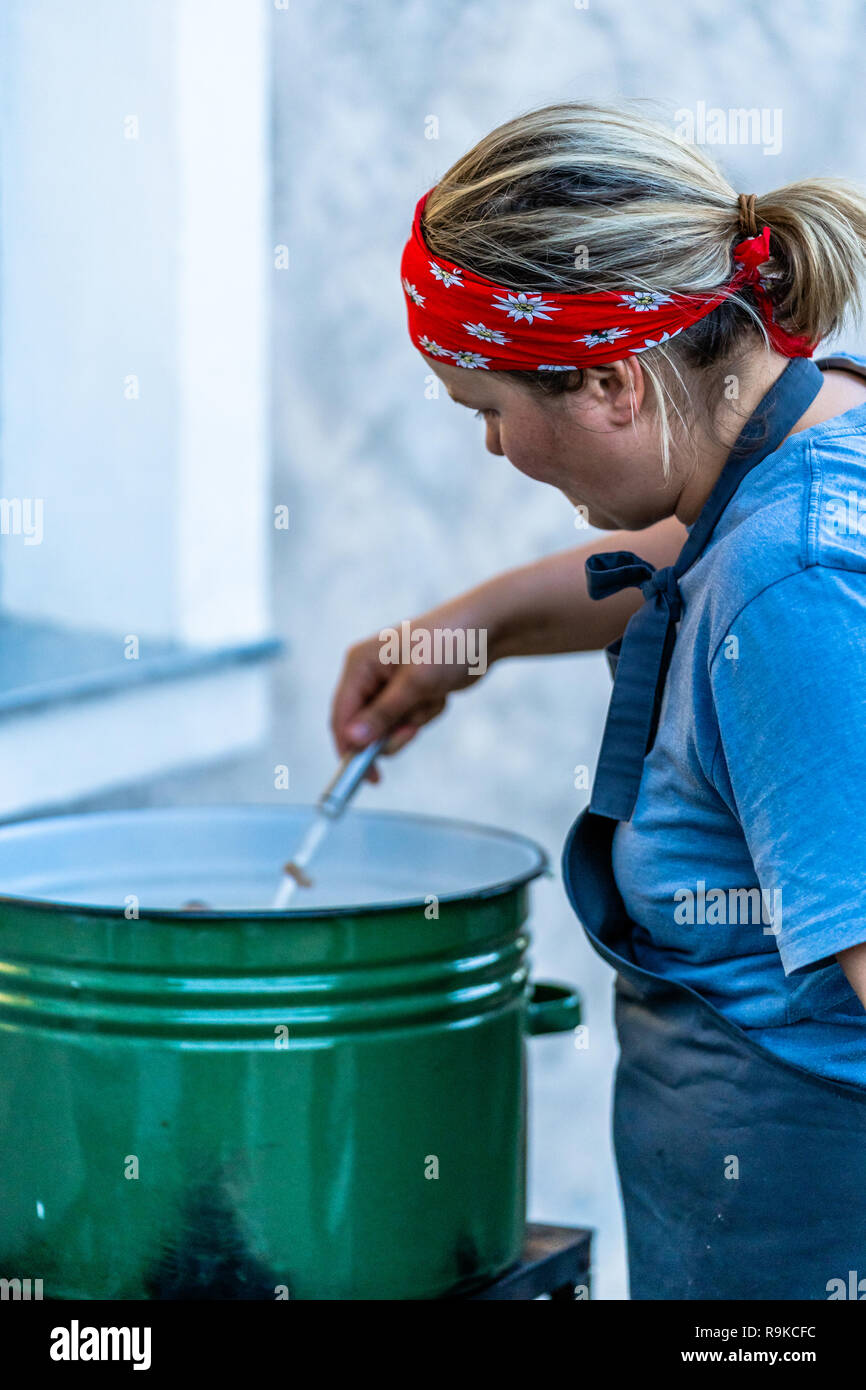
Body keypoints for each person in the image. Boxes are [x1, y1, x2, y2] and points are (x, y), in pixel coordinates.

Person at [330, 102, 866, 1299]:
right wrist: (468, 633)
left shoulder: (792, 593)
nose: (487, 447)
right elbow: (693, 555)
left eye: (487, 410)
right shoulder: (807, 431)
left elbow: (761, 590)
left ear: (613, 382)